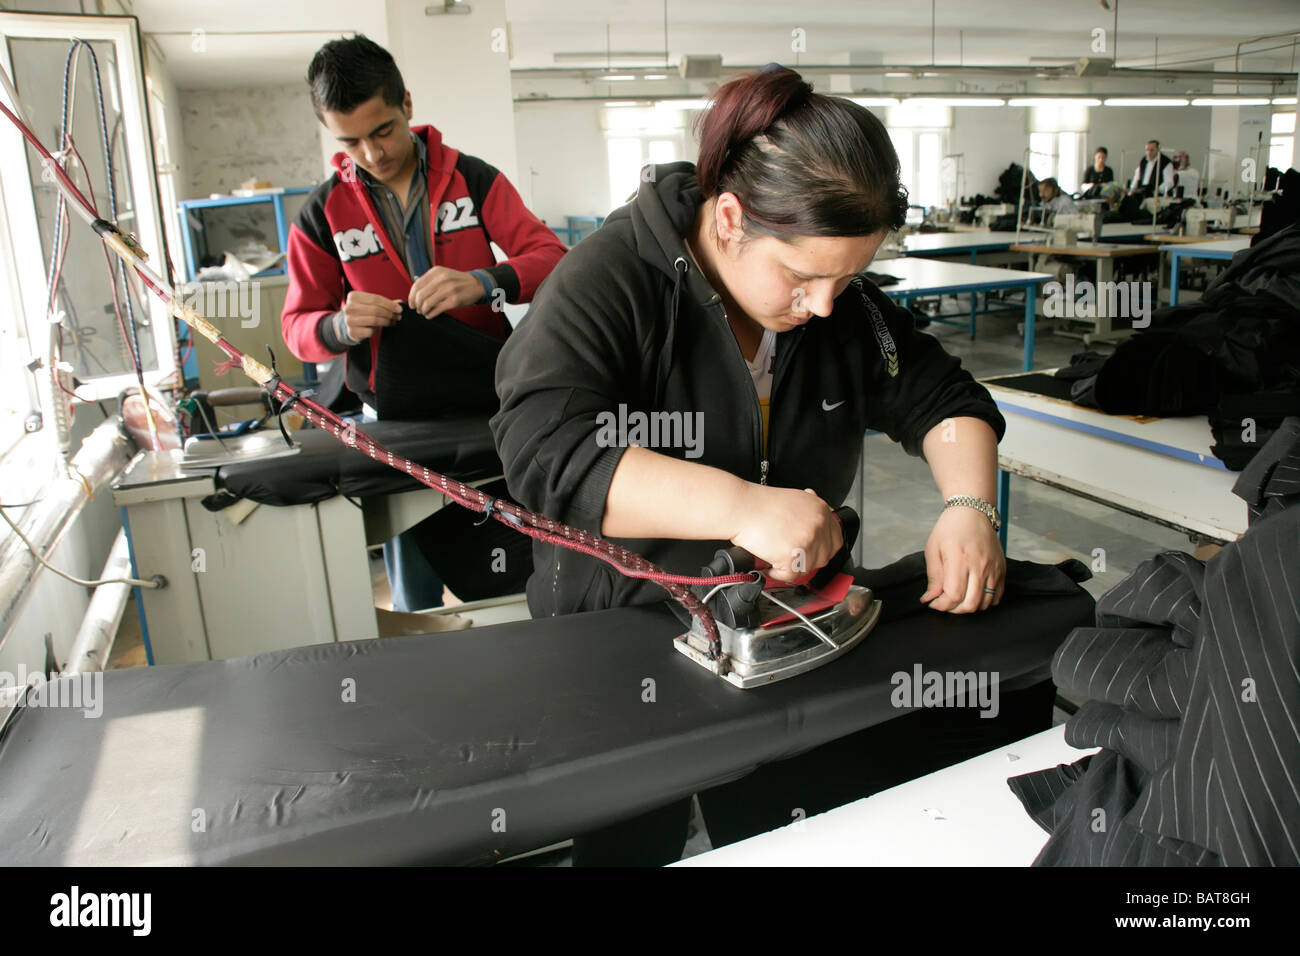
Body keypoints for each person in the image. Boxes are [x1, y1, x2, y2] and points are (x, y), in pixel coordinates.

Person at [491, 66, 1052, 865]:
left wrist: (971, 507)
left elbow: (941, 394)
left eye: (847, 278)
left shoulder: (838, 309)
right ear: (728, 219)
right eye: (801, 277)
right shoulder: (612, 281)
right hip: (623, 634)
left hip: (785, 627)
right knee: (629, 835)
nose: (825, 305)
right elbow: (546, 454)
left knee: (790, 826)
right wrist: (742, 506)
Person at [281, 35, 566, 613]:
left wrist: (486, 280)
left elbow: (553, 259)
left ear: (406, 105)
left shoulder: (473, 180)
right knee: (414, 575)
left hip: (489, 402)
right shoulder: (322, 213)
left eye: (382, 130)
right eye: (350, 140)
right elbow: (297, 326)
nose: (372, 152)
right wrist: (338, 325)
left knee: (514, 556)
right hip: (395, 418)